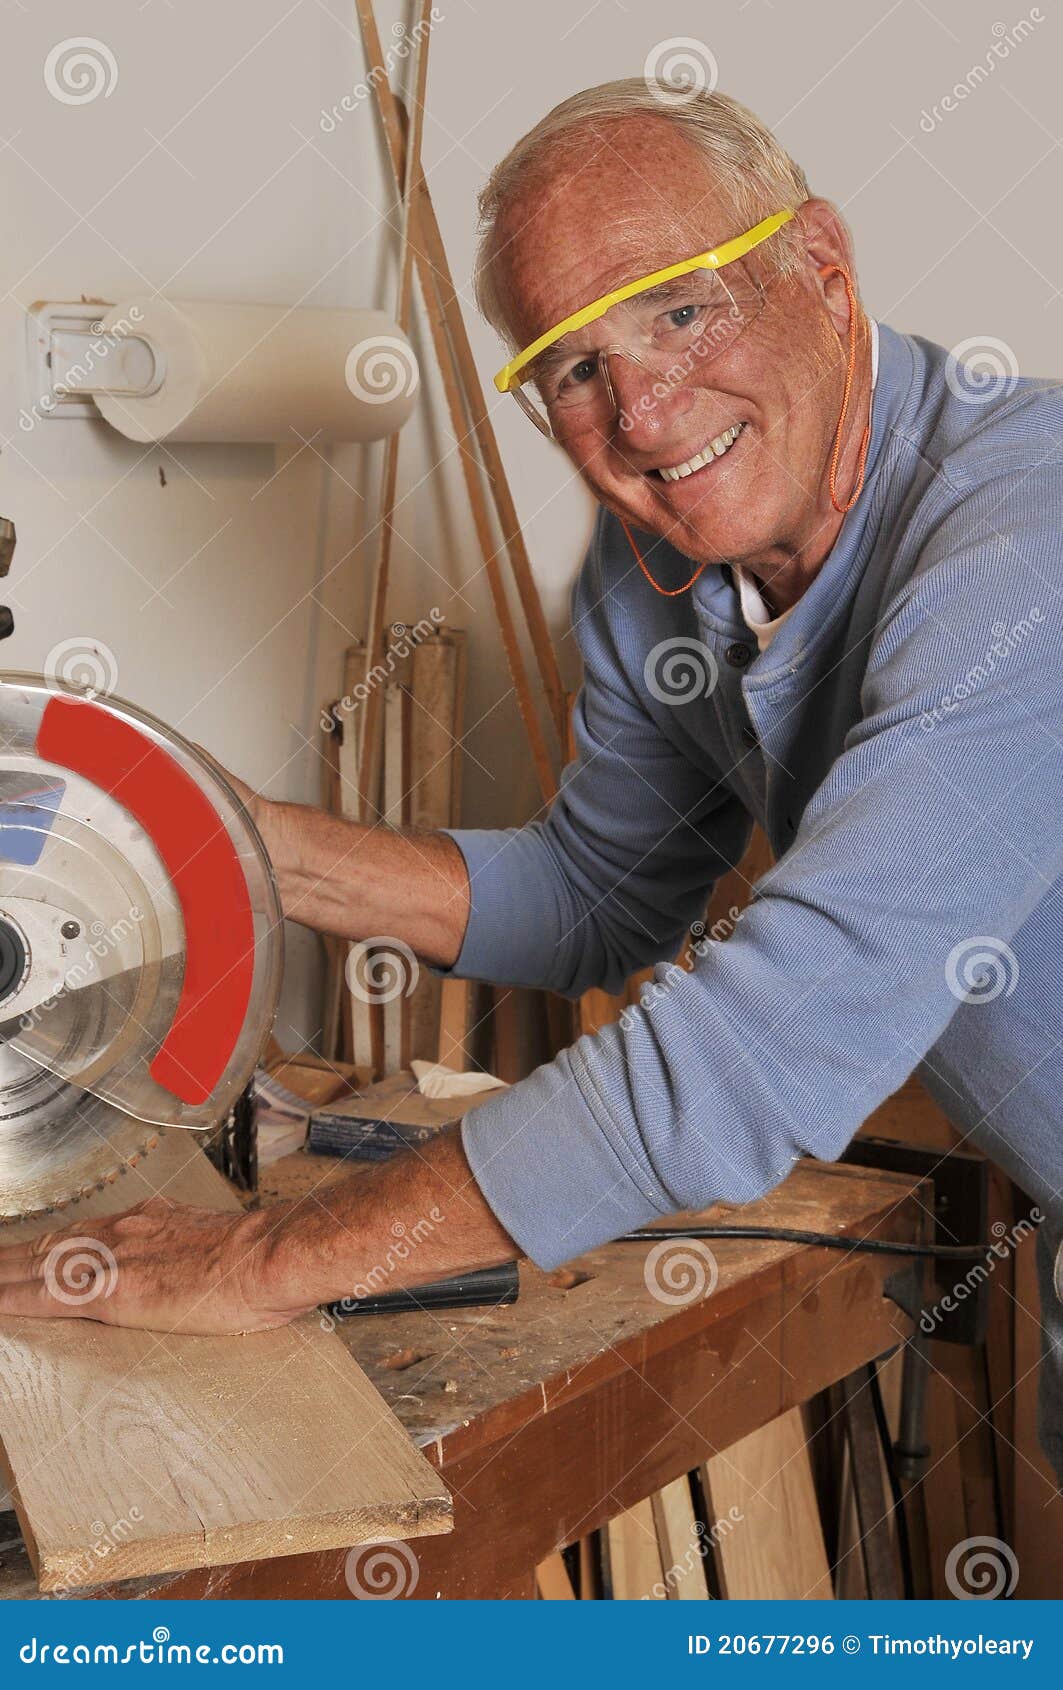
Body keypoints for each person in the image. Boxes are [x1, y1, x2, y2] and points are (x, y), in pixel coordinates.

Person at [3, 81, 1060, 1482]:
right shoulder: (657, 580)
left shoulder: (1021, 550)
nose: (642, 408)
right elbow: (595, 895)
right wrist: (214, 838)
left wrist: (263, 1255)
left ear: (822, 269)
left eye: (682, 310)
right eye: (573, 367)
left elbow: (766, 1044)